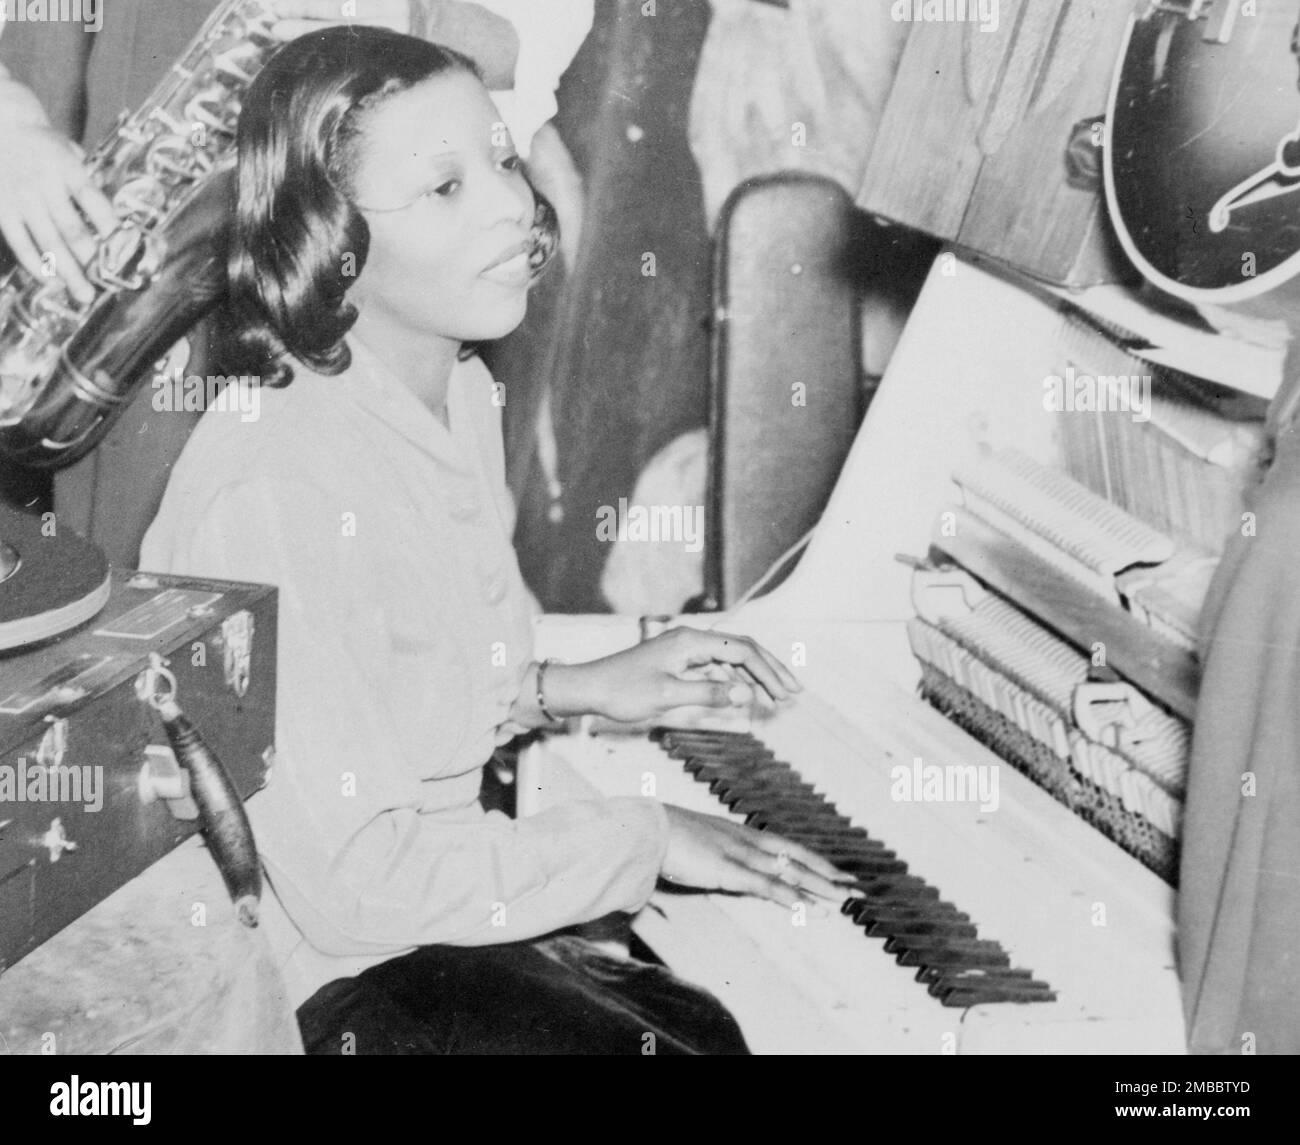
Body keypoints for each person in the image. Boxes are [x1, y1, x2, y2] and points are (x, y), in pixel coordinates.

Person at [139, 25, 849, 1055]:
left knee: (706, 1021)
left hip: (408, 930)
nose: (513, 203)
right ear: (327, 238)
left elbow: (401, 686)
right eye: (444, 188)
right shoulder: (270, 487)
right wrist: (643, 837)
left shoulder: (451, 392)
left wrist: (579, 686)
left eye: (502, 160)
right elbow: (357, 889)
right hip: (313, 986)